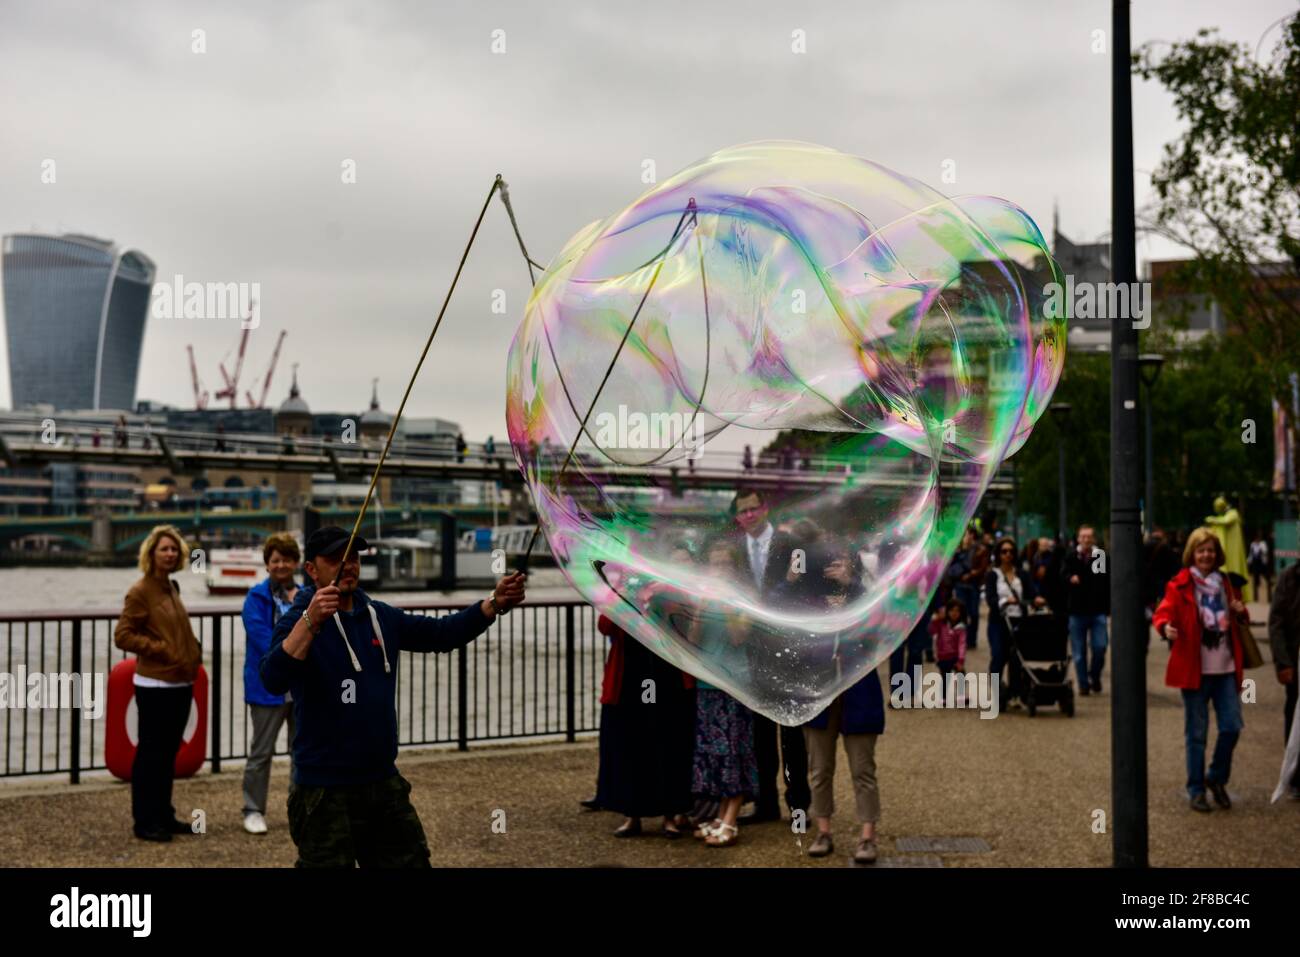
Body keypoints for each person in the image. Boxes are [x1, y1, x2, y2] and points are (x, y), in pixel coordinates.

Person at [260, 525, 526, 867]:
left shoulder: (380, 616)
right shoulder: (298, 620)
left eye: (353, 557)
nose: (349, 565)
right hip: (322, 789)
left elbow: (440, 634)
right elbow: (272, 679)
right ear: (311, 569)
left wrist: (494, 603)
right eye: (335, 559)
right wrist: (311, 621)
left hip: (381, 781)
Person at [113, 525, 203, 843]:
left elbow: (176, 630)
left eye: (174, 549)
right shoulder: (140, 591)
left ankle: (164, 814)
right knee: (150, 753)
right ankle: (144, 821)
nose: (170, 554)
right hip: (154, 684)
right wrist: (163, 651)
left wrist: (192, 650)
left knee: (167, 754)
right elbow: (123, 635)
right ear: (151, 553)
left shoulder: (171, 587)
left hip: (180, 682)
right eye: (163, 549)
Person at [800, 539, 884, 865]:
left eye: (844, 560)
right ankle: (823, 831)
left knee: (863, 768)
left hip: (858, 690)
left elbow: (876, 635)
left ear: (854, 564)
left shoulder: (865, 597)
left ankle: (867, 837)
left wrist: (852, 589)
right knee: (819, 769)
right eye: (831, 560)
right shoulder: (811, 601)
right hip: (821, 691)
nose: (837, 565)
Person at [1153, 527, 1249, 812]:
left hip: (1226, 669)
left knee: (1232, 727)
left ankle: (1216, 778)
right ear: (1192, 554)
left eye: (1210, 550)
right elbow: (1163, 613)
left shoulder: (1228, 583)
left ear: (1217, 554)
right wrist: (1164, 627)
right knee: (1196, 733)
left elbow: (1242, 619)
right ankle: (1196, 789)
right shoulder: (1180, 584)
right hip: (1194, 669)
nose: (1206, 555)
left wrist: (1240, 611)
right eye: (1200, 550)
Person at [729, 487, 809, 824]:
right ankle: (766, 804)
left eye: (753, 509)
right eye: (742, 511)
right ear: (737, 517)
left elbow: (802, 590)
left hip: (788, 649)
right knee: (760, 734)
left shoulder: (792, 546)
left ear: (766, 509)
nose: (749, 515)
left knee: (791, 733)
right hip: (754, 651)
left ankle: (799, 805)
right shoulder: (734, 552)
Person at [595, 613, 695, 838]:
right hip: (630, 678)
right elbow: (604, 626)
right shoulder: (621, 593)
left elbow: (683, 625)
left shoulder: (667, 593)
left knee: (668, 745)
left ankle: (670, 815)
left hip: (667, 676)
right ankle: (632, 815)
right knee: (631, 747)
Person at [687, 538, 759, 847]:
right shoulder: (701, 595)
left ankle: (731, 819)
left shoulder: (746, 597)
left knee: (734, 749)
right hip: (707, 681)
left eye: (726, 564)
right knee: (714, 753)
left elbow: (739, 637)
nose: (720, 570)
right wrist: (701, 608)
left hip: (734, 682)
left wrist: (728, 604)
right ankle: (719, 813)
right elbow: (692, 638)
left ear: (735, 567)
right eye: (715, 564)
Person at [240, 532, 301, 835]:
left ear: (296, 563)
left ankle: (298, 807)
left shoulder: (306, 595)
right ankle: (253, 809)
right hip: (266, 686)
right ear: (267, 564)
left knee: (301, 751)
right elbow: (261, 637)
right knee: (261, 752)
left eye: (287, 559)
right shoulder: (256, 598)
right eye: (275, 560)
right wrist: (294, 654)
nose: (281, 565)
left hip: (300, 687)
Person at [986, 536, 1044, 696]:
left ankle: (1015, 691)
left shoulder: (1022, 574)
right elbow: (990, 598)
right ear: (998, 554)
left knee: (1016, 657)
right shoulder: (993, 574)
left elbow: (1032, 593)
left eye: (1011, 551)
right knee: (999, 655)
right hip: (999, 621)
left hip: (1019, 621)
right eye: (1004, 551)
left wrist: (1037, 599)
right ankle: (997, 689)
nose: (1008, 555)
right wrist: (1005, 600)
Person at [1062, 524, 1109, 695]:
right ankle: (1083, 684)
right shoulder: (1072, 556)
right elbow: (1063, 575)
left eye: (1089, 536)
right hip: (1077, 610)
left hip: (1097, 609)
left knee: (1100, 647)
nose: (1086, 539)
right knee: (1078, 651)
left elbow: (1102, 580)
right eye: (1083, 536)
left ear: (1093, 538)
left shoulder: (1099, 556)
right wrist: (1070, 578)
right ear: (1078, 538)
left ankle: (1094, 676)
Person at [1268, 557, 1300, 799]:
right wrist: (1283, 662)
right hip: (1296, 661)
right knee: (1295, 716)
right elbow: (1276, 622)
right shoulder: (1289, 577)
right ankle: (1296, 775)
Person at [1205, 497, 1250, 601]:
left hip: (1233, 552)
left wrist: (1212, 519)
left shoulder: (1233, 514)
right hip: (1228, 552)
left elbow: (1225, 521)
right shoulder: (1225, 517)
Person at [929, 598, 968, 702]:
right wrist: (935, 620)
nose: (954, 613)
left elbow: (962, 644)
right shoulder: (941, 624)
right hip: (943, 656)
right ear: (947, 612)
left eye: (957, 611)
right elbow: (931, 631)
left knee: (960, 675)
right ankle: (943, 697)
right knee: (945, 677)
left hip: (955, 656)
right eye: (952, 611)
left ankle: (960, 696)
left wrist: (961, 659)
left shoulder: (961, 628)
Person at [1248, 530, 1272, 603]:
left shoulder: (1262, 544)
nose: (1256, 540)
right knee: (1255, 576)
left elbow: (1265, 552)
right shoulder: (1252, 544)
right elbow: (1251, 554)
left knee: (1265, 574)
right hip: (1255, 562)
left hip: (1261, 562)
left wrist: (1261, 548)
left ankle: (1269, 582)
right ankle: (1256, 595)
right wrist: (1249, 561)